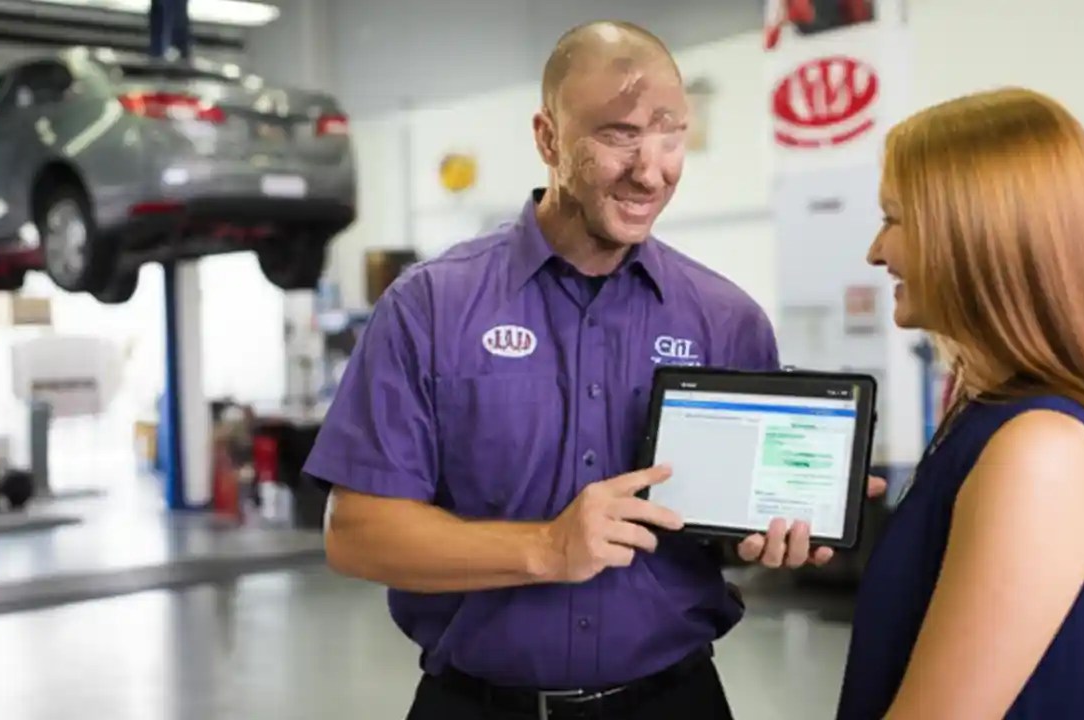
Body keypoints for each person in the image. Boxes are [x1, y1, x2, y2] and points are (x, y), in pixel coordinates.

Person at [306, 20, 884, 720]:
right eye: (617, 135)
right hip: (478, 705)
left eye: (671, 134)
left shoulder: (725, 319)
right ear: (548, 138)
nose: (652, 168)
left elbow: (722, 534)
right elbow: (356, 531)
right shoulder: (429, 308)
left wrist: (775, 530)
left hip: (675, 702)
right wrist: (545, 547)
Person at [837, 87, 1084, 719]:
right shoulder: (990, 417)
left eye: (894, 219)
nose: (877, 252)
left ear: (975, 233)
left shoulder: (1039, 450)